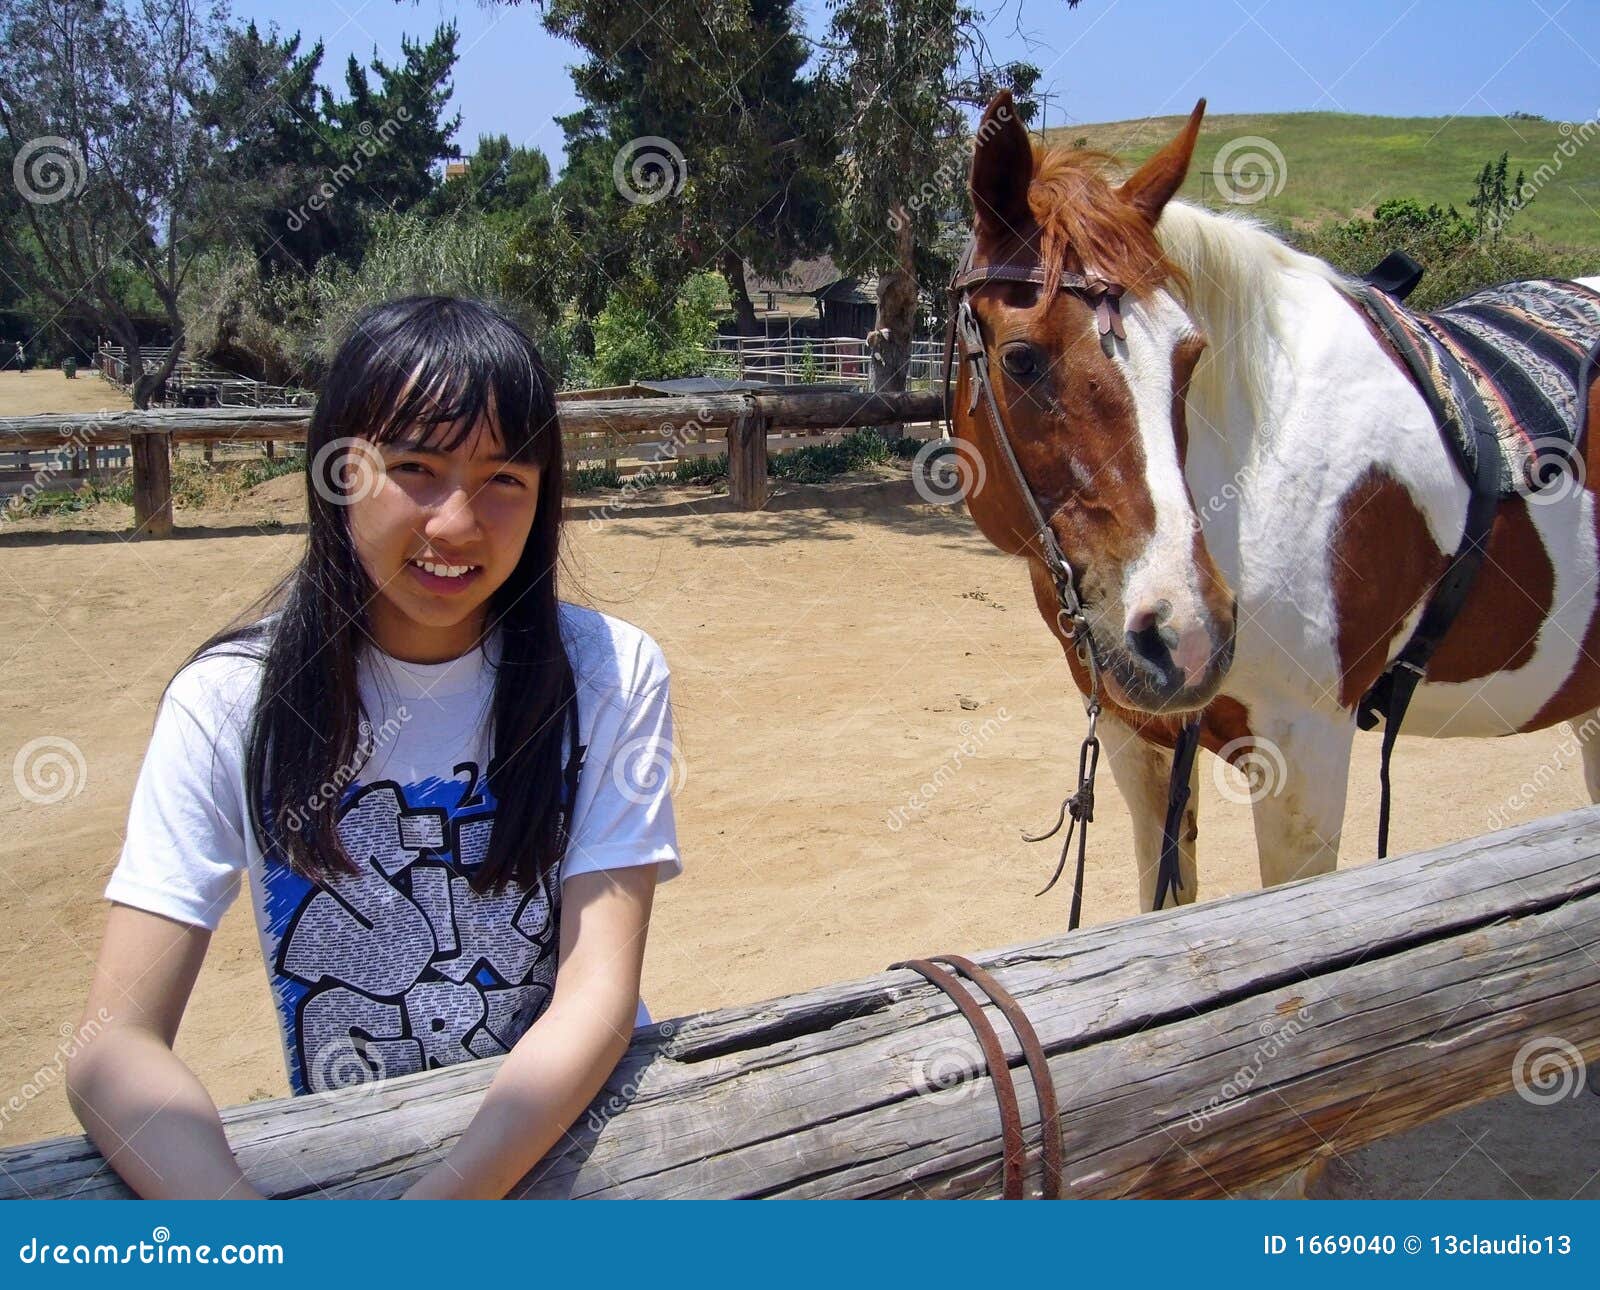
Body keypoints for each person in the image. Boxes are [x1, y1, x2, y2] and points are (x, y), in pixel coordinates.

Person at [64, 296, 681, 1199]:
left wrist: (437, 1215)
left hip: (566, 1162)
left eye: (505, 478)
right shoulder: (228, 702)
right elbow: (110, 1047)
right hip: (354, 1163)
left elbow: (598, 992)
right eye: (416, 469)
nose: (456, 525)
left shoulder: (611, 674)